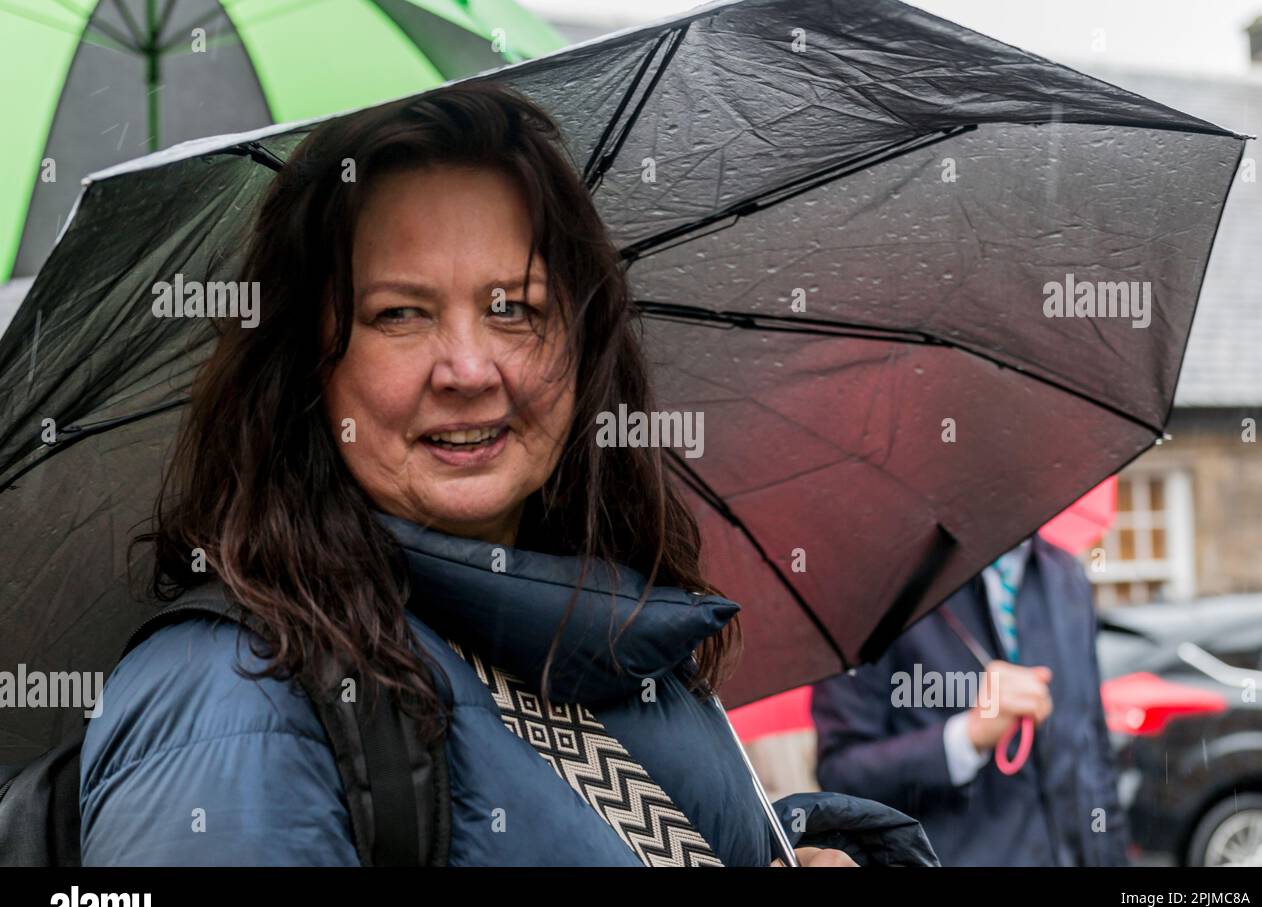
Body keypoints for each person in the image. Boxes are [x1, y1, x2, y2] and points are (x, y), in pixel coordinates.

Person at [78, 81, 935, 867]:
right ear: (306, 365)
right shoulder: (232, 703)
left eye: (512, 308)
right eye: (399, 314)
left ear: (581, 342)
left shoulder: (607, 627)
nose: (468, 368)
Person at [811, 534, 1129, 866]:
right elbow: (841, 774)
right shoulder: (879, 589)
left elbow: (1095, 750)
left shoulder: (1067, 576)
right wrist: (967, 737)